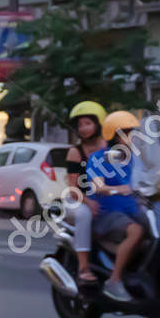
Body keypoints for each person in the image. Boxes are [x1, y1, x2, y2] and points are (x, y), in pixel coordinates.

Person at [83, 110, 147, 303]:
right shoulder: (98, 158)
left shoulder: (134, 159)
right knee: (136, 231)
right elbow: (97, 186)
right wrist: (120, 189)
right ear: (113, 134)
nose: (130, 137)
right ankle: (114, 280)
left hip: (133, 210)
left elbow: (147, 179)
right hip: (107, 214)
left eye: (132, 132)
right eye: (125, 132)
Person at [63, 101, 108, 285]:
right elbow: (73, 189)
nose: (83, 128)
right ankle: (83, 267)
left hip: (104, 197)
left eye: (87, 123)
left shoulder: (109, 149)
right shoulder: (75, 152)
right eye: (80, 125)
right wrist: (88, 202)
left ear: (98, 124)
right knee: (84, 215)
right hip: (77, 200)